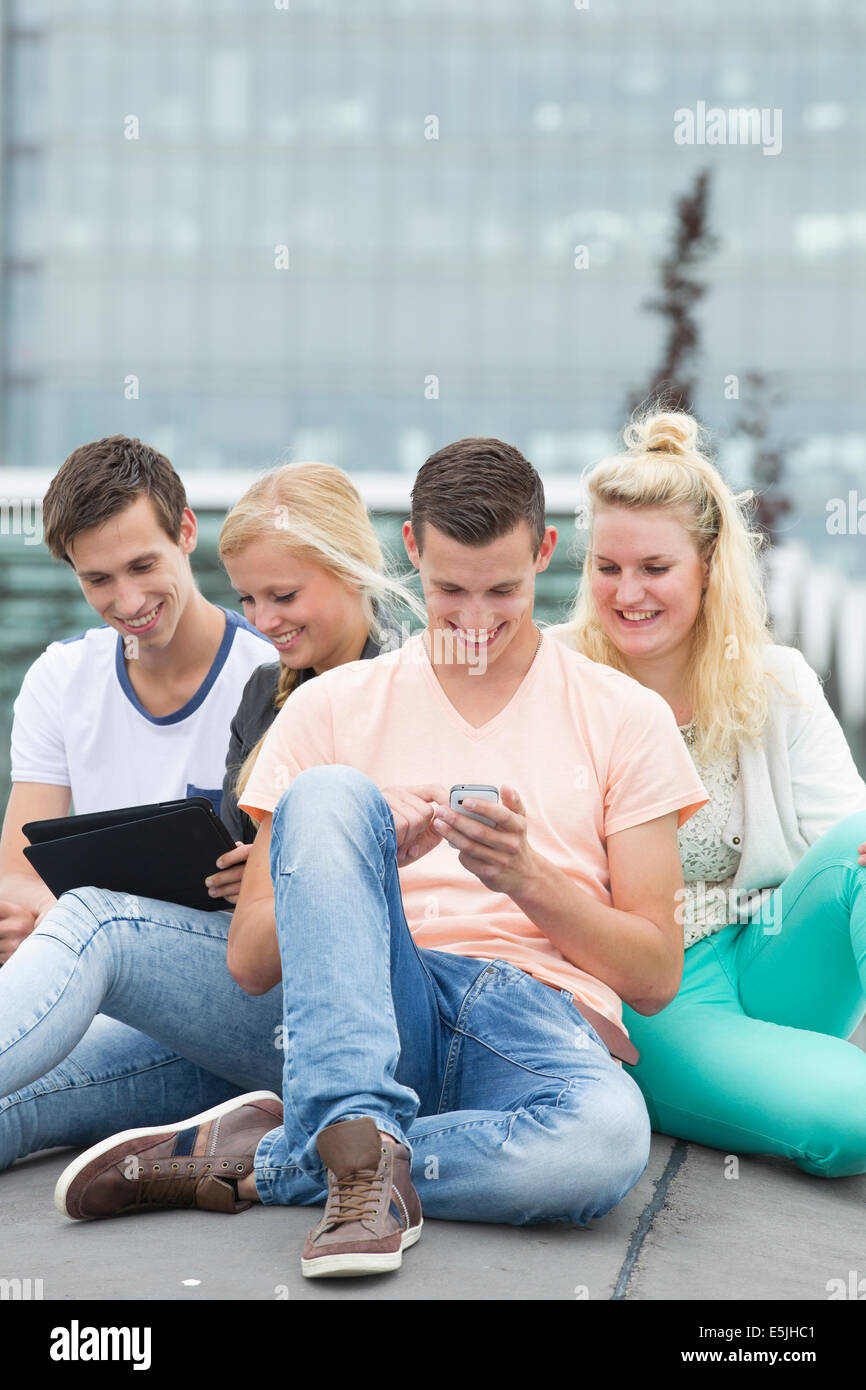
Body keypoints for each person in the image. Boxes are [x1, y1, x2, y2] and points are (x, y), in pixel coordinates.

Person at [37, 437, 708, 1283]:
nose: (473, 621)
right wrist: (373, 859)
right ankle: (353, 1140)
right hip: (379, 995)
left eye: (503, 590)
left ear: (545, 551)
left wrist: (528, 879)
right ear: (412, 552)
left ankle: (280, 1156)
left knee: (603, 1145)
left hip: (536, 1020)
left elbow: (654, 973)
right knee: (330, 794)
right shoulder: (326, 704)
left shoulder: (625, 715)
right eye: (448, 590)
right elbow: (249, 963)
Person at [0, 454, 411, 1170]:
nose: (127, 600)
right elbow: (18, 883)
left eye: (139, 566)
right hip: (186, 1005)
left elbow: (277, 951)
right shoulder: (269, 693)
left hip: (298, 1011)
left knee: (98, 916)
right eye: (98, 578)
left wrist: (279, 879)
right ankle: (249, 1134)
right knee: (15, 1106)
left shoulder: (371, 683)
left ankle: (276, 1147)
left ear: (186, 533)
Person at [548, 406, 866, 1180]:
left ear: (709, 564)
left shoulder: (775, 678)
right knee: (851, 1118)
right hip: (657, 996)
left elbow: (844, 843)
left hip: (772, 949)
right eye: (608, 567)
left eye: (655, 568)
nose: (628, 594)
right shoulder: (553, 680)